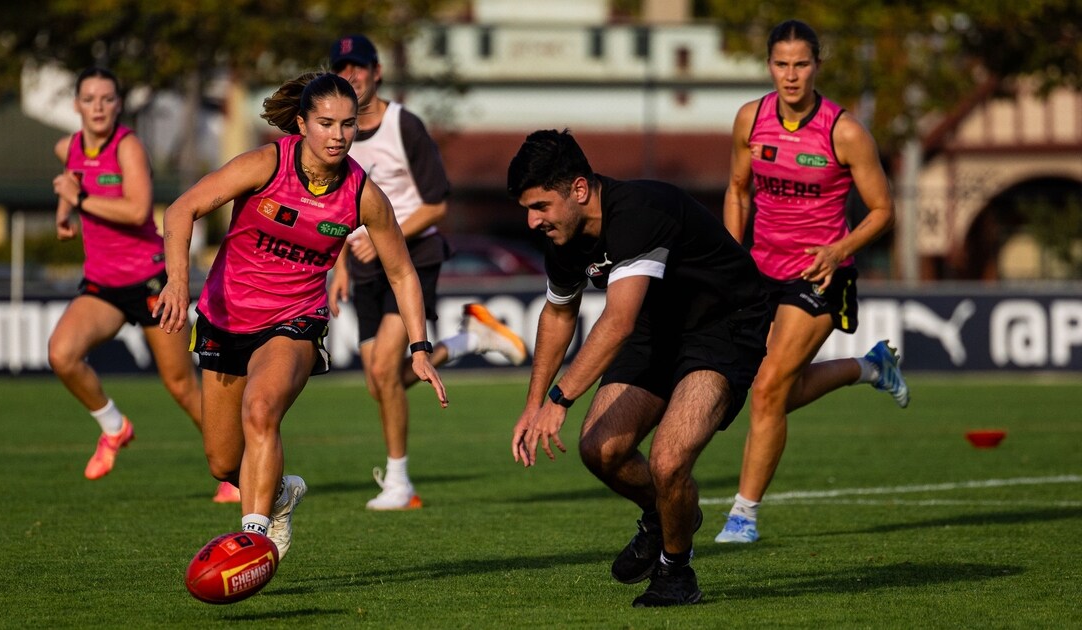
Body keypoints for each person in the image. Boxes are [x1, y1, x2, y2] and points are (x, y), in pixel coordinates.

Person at [154, 72, 448, 559]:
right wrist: (179, 281)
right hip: (224, 319)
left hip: (295, 321)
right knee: (224, 462)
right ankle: (281, 491)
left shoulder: (362, 195)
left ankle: (253, 537)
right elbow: (181, 210)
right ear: (302, 123)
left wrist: (419, 347)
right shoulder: (265, 164)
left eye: (348, 125)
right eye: (326, 123)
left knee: (261, 408)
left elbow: (402, 273)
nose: (338, 135)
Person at [507, 129, 770, 607]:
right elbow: (559, 313)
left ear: (579, 190)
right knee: (599, 450)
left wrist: (560, 399)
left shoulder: (640, 212)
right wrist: (532, 405)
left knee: (669, 461)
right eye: (527, 208)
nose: (532, 221)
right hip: (657, 326)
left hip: (723, 324)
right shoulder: (563, 237)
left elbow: (619, 321)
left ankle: (676, 572)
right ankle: (663, 514)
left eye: (541, 206)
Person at [715, 19, 909, 545]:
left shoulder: (843, 130)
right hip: (759, 272)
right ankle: (870, 367)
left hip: (822, 274)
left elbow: (883, 210)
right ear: (769, 66)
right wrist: (731, 262)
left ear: (817, 65)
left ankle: (743, 516)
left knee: (767, 390)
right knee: (775, 389)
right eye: (782, 64)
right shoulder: (749, 120)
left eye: (801, 64)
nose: (791, 75)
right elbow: (737, 191)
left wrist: (839, 249)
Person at [328, 34, 527, 511]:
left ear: (376, 72)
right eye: (342, 68)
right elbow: (333, 206)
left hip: (413, 259)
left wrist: (383, 237)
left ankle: (399, 482)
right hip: (362, 268)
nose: (351, 75)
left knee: (382, 371)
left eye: (358, 67)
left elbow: (437, 204)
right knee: (382, 381)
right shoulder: (337, 132)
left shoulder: (404, 125)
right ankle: (467, 341)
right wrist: (338, 267)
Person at [48, 67, 239, 504]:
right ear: (76, 105)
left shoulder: (128, 147)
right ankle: (114, 426)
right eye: (90, 99)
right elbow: (71, 178)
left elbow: (137, 212)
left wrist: (76, 201)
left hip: (152, 279)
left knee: (181, 386)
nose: (98, 106)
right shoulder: (68, 146)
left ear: (118, 105)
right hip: (103, 283)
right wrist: (64, 212)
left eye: (107, 99)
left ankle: (234, 472)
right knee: (62, 354)